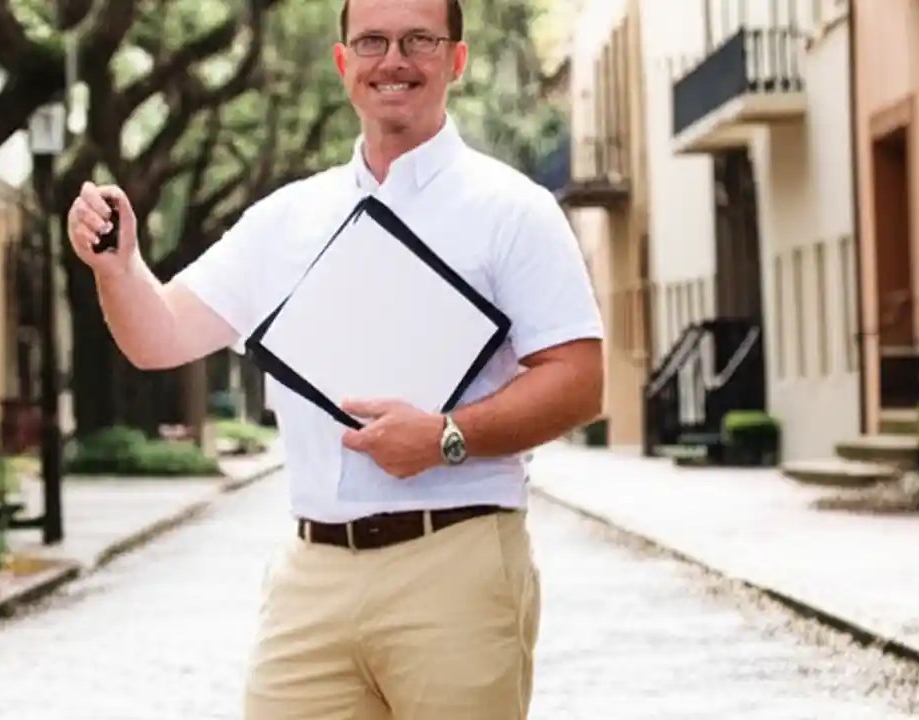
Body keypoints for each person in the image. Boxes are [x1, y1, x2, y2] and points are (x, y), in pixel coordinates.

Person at [66, 0, 604, 715]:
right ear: (343, 62)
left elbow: (579, 380)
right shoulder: (285, 219)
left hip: (457, 559)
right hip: (312, 575)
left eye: (418, 40)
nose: (394, 61)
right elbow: (158, 336)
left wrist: (445, 436)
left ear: (457, 59)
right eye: (372, 42)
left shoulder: (513, 210)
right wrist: (118, 268)